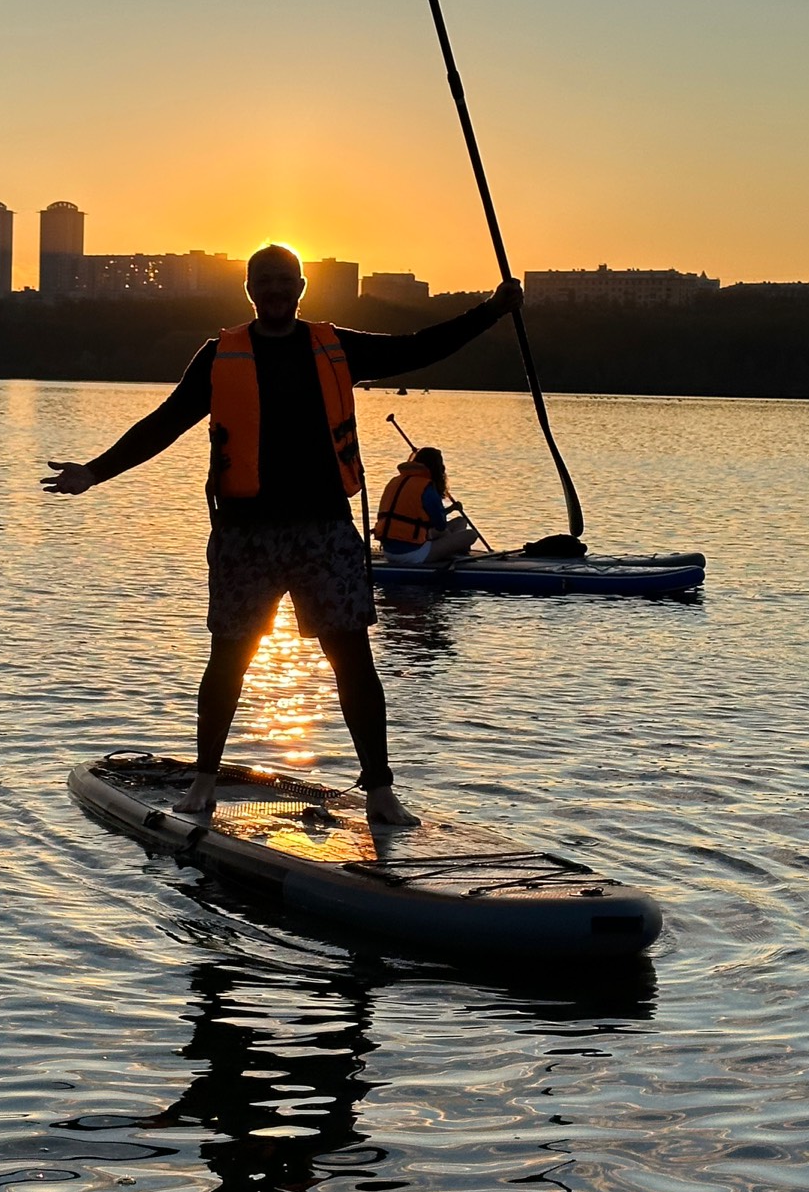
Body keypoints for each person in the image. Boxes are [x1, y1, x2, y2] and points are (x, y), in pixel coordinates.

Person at [43, 244, 521, 823]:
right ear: (249, 290)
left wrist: (491, 311)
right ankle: (203, 781)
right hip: (247, 535)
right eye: (262, 280)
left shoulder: (334, 346)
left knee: (353, 661)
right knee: (230, 658)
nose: (274, 289)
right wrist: (95, 472)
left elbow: (418, 349)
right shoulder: (220, 355)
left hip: (324, 531)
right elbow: (165, 422)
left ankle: (380, 791)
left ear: (300, 289)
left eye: (284, 280)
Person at [372, 445, 478, 565]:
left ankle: (448, 550)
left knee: (461, 521)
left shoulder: (395, 481)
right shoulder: (427, 488)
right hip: (412, 554)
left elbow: (416, 516)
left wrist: (451, 509)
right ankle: (450, 554)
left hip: (389, 551)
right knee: (471, 534)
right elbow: (441, 525)